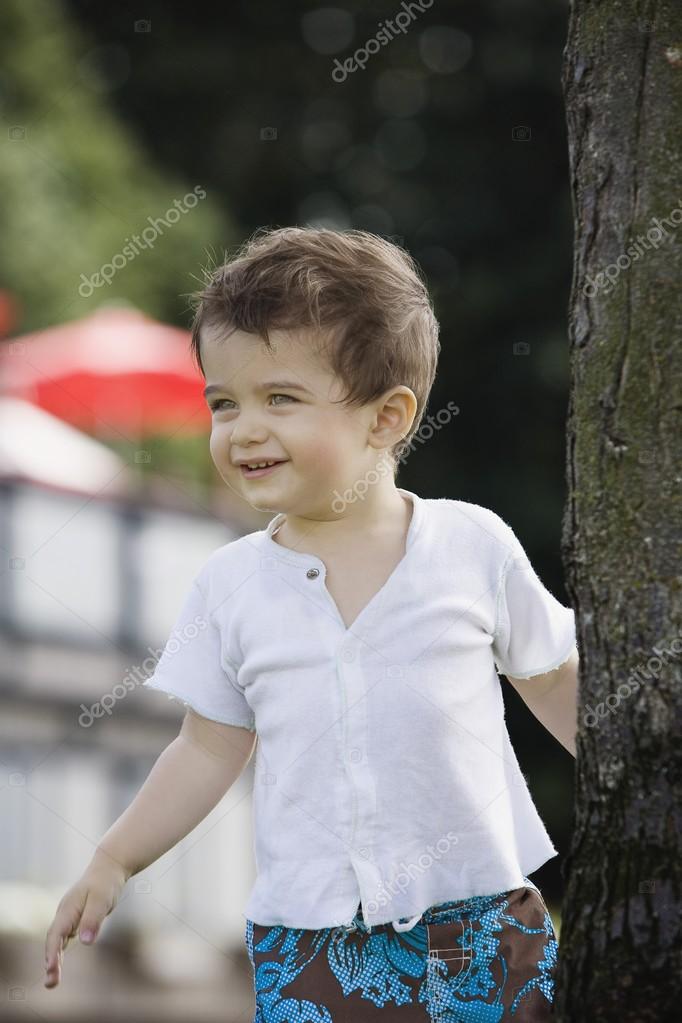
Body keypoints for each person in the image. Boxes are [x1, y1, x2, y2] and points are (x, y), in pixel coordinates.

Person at [44, 227, 579, 1020]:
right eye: (223, 403)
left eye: (280, 399)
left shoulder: (471, 546)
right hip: (309, 945)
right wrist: (115, 857)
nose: (243, 428)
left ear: (386, 417)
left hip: (479, 925)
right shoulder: (230, 585)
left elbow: (554, 676)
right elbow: (207, 745)